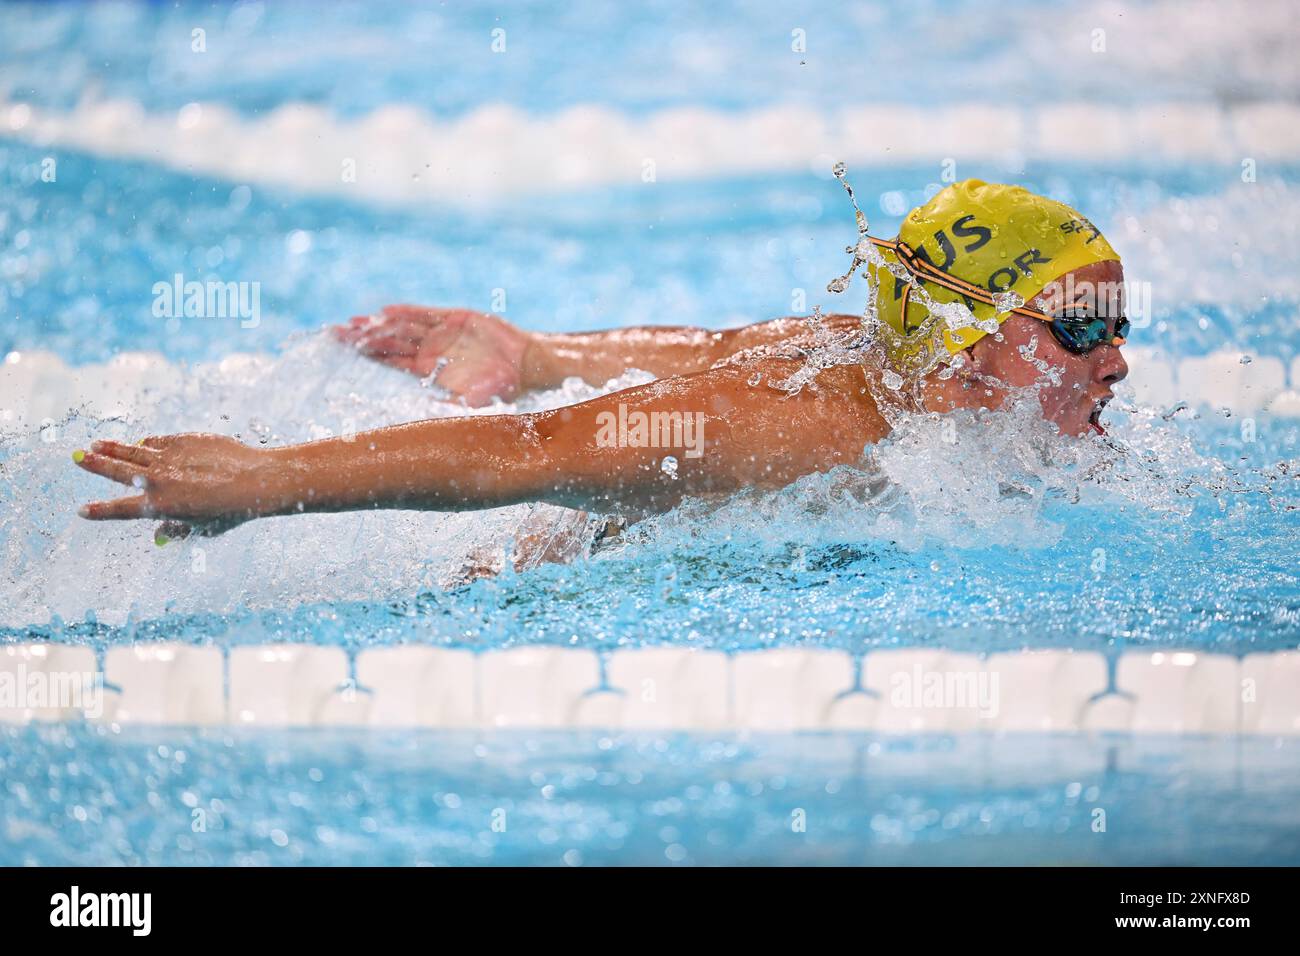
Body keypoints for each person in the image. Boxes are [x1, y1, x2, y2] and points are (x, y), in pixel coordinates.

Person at [72, 180, 1129, 539]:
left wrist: (536, 351)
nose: (1115, 360)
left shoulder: (860, 354)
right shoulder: (820, 427)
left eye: (1117, 325)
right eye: (1080, 326)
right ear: (963, 334)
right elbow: (528, 454)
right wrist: (271, 478)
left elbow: (706, 349)